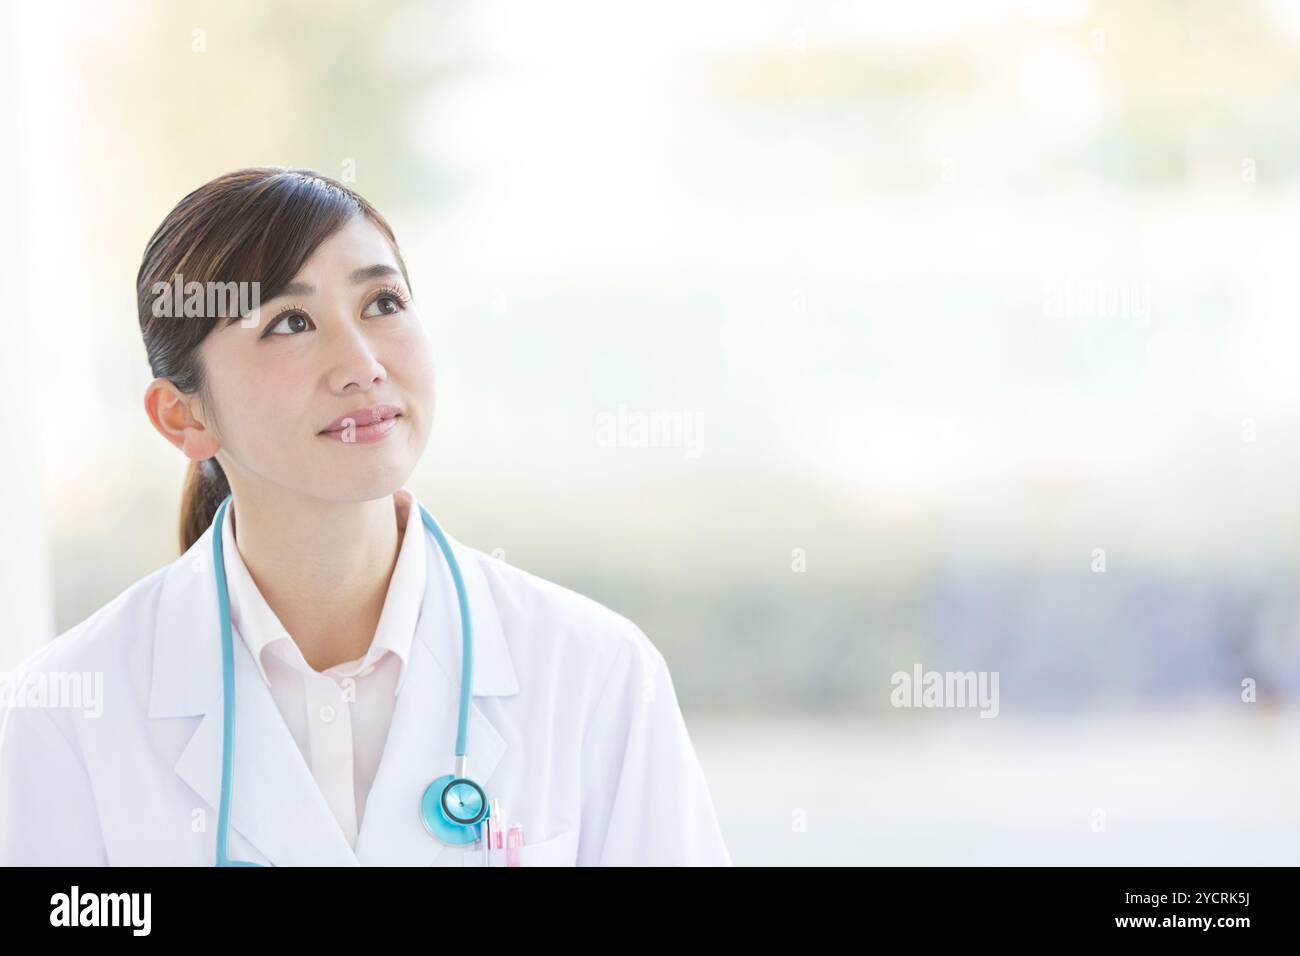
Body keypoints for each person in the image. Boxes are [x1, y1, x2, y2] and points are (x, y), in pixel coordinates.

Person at [0, 166, 732, 866]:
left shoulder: (594, 672)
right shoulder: (70, 712)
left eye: (382, 304)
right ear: (183, 416)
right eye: (290, 322)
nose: (361, 364)